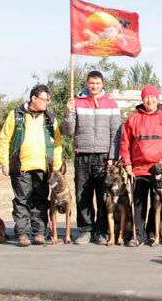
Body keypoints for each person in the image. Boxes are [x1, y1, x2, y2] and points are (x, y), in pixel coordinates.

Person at [61, 71, 122, 245]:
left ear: (102, 83)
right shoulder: (77, 102)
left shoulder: (111, 104)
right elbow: (68, 131)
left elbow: (116, 133)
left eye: (97, 83)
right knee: (83, 195)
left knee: (103, 196)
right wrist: (68, 113)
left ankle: (101, 230)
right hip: (82, 154)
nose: (94, 86)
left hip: (103, 157)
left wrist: (112, 157)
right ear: (86, 83)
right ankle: (85, 230)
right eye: (91, 83)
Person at [0, 84, 63, 247]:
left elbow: (57, 144)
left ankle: (39, 233)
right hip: (21, 166)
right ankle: (22, 233)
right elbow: (5, 139)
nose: (47, 103)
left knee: (41, 201)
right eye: (44, 99)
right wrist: (4, 162)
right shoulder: (16, 115)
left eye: (48, 100)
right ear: (34, 98)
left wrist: (56, 165)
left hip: (42, 167)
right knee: (22, 200)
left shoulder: (50, 119)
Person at [119, 84, 162, 246]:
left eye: (152, 97)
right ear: (142, 99)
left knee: (157, 203)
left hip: (160, 169)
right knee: (138, 203)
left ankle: (152, 233)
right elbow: (125, 143)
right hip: (139, 169)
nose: (149, 100)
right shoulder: (133, 118)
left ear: (157, 99)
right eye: (146, 97)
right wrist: (127, 164)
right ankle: (137, 235)